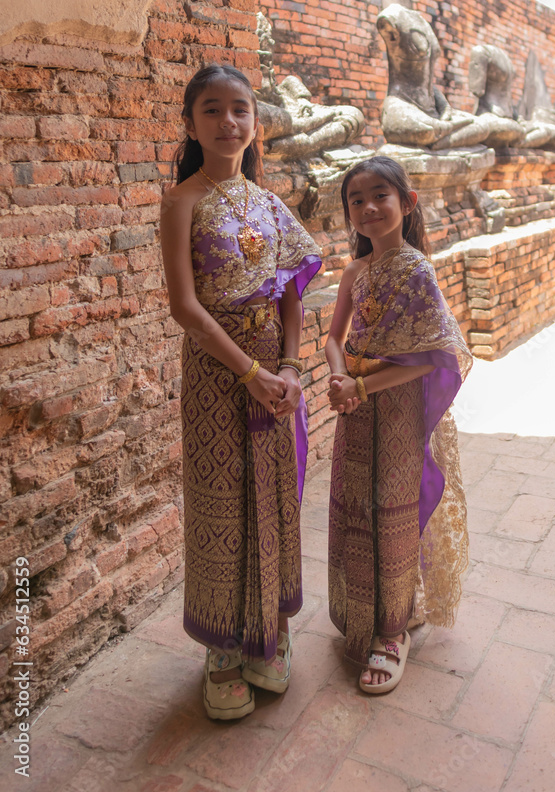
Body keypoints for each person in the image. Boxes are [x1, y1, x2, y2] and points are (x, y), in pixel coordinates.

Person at [160, 63, 321, 720]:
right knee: (220, 502)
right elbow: (186, 308)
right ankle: (222, 650)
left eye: (239, 109)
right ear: (190, 124)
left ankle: (270, 636)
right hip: (215, 374)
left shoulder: (270, 203)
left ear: (254, 122)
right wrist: (250, 375)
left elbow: (290, 293)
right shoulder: (182, 202)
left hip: (273, 376)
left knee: (274, 498)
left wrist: (289, 368)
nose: (228, 122)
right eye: (212, 110)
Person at [325, 155, 471, 693]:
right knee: (356, 503)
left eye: (380, 195)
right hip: (355, 410)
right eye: (356, 200)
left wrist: (361, 387)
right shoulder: (355, 271)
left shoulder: (416, 270)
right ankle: (361, 610)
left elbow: (434, 357)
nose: (368, 207)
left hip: (399, 411)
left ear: (407, 203)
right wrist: (339, 377)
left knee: (394, 509)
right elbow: (334, 338)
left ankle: (392, 630)